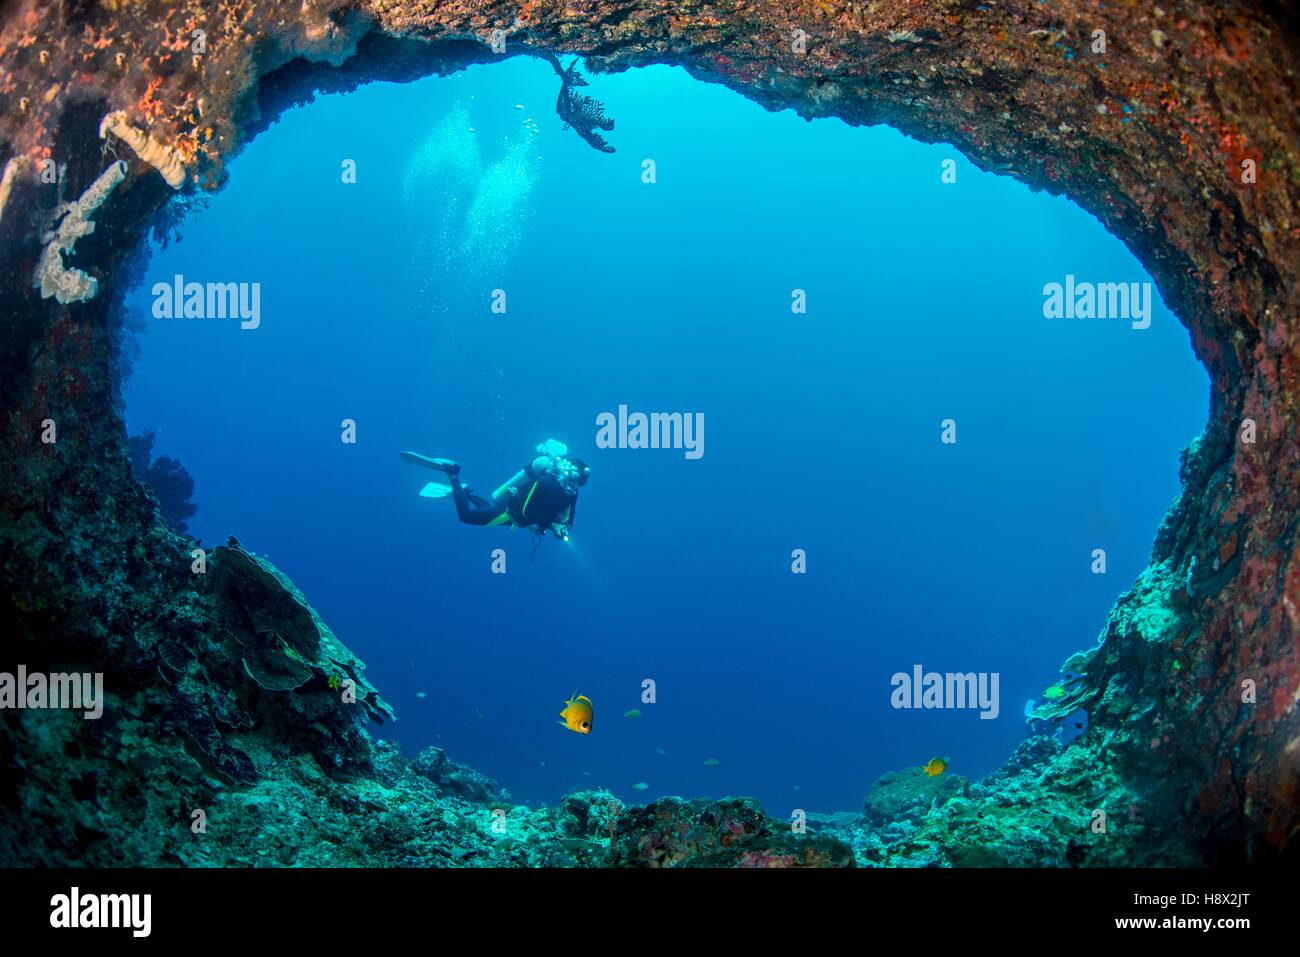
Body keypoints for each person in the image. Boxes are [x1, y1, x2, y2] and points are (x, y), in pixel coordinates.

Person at [401, 441, 589, 540]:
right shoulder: (548, 482)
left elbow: (569, 519)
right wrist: (551, 525)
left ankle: (466, 493)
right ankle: (453, 474)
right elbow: (526, 509)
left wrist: (564, 528)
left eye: (576, 483)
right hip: (512, 513)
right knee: (465, 516)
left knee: (491, 508)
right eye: (574, 481)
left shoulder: (571, 493)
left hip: (513, 516)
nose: (572, 485)